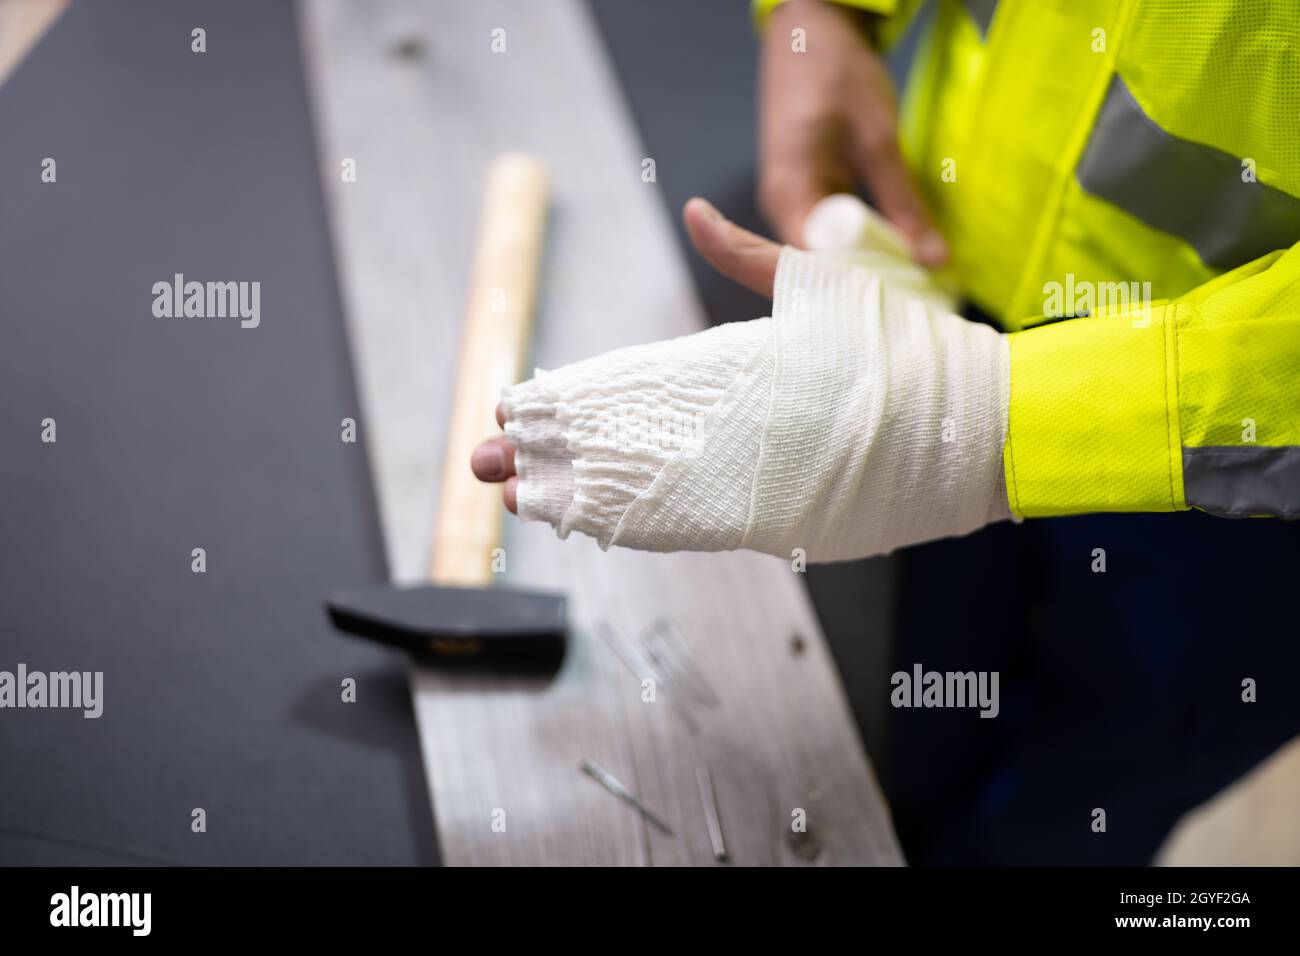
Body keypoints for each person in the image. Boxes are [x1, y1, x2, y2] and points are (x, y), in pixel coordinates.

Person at [473, 0, 1300, 863]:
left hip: (1239, 478)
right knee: (933, 708)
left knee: (1089, 786)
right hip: (949, 288)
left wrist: (994, 412)